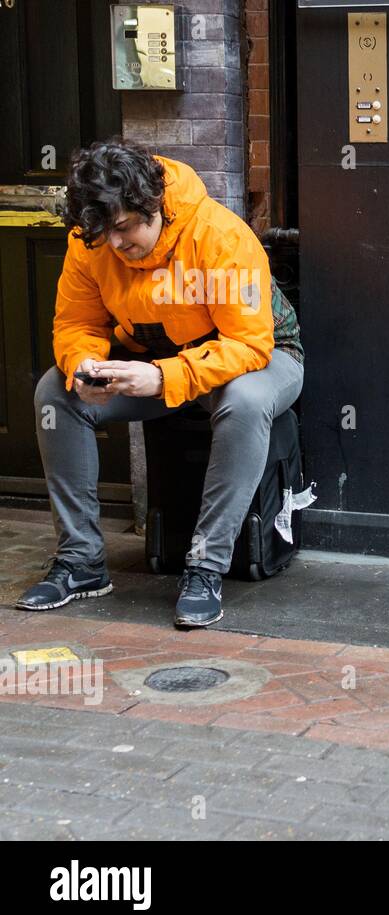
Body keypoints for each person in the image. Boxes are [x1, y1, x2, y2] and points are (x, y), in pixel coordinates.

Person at [14, 138, 304, 629]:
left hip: (258, 356)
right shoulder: (92, 242)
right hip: (152, 362)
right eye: (102, 233)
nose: (114, 244)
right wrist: (84, 366)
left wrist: (164, 375)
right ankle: (82, 562)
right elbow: (76, 325)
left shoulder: (220, 236)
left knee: (247, 401)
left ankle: (207, 565)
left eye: (124, 229)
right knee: (54, 393)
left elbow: (248, 344)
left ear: (154, 208)